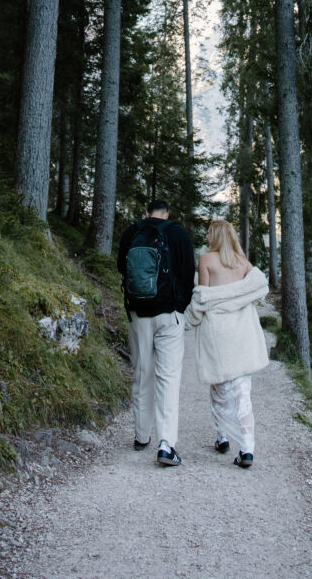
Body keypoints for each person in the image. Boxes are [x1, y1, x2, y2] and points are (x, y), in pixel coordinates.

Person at [117, 198, 195, 467]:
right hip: (169, 314)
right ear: (167, 213)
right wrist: (180, 307)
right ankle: (166, 444)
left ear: (147, 213)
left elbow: (121, 267)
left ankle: (141, 436)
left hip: (139, 315)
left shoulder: (132, 232)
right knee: (168, 377)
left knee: (142, 372)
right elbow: (188, 274)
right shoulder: (178, 233)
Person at [185, 219, 269, 469]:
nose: (206, 235)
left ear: (218, 235)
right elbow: (256, 289)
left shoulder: (206, 260)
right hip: (242, 332)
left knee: (219, 388)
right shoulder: (243, 262)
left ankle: (222, 437)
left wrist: (187, 321)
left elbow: (202, 298)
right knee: (243, 391)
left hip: (218, 333)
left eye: (210, 232)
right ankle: (247, 448)